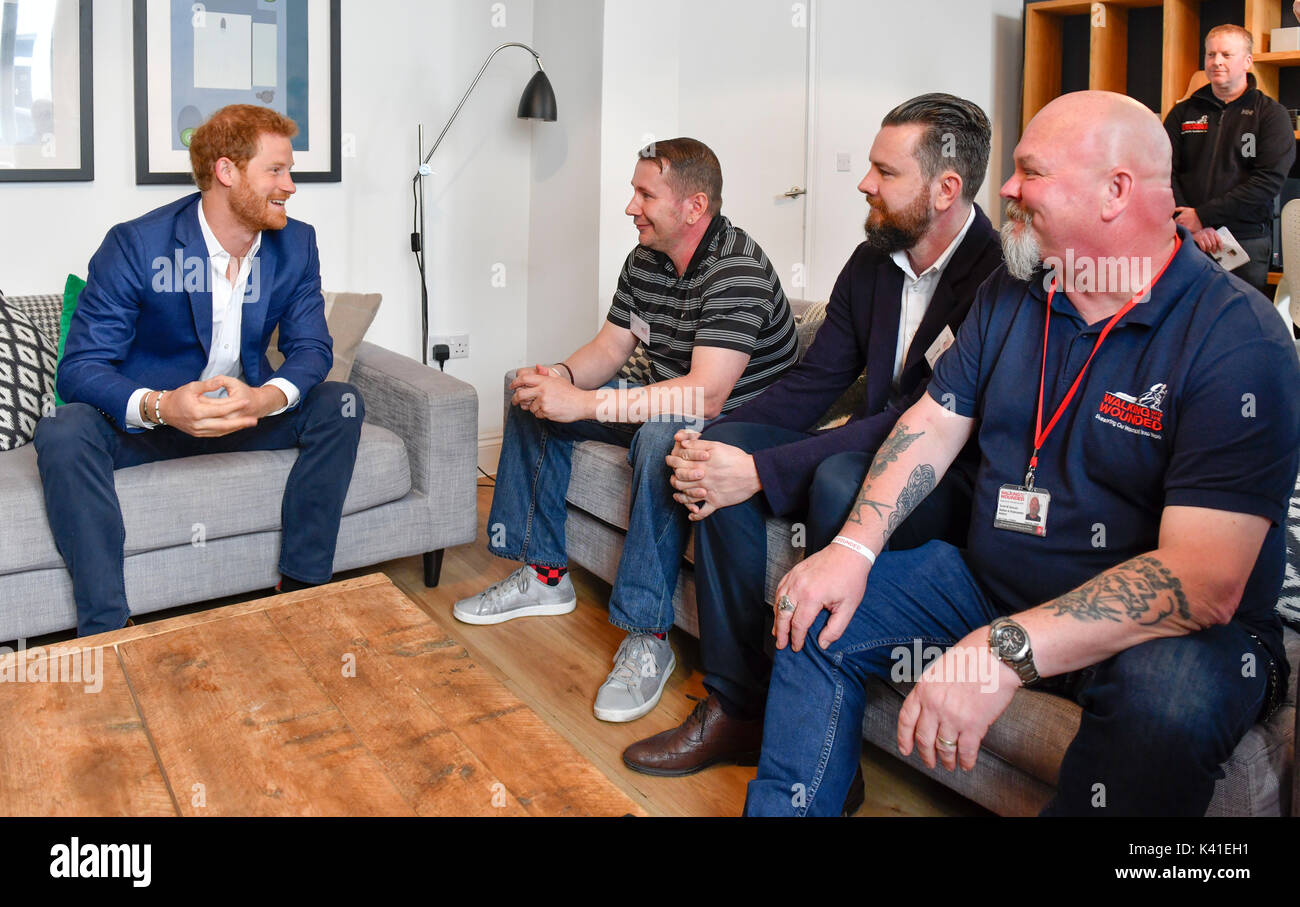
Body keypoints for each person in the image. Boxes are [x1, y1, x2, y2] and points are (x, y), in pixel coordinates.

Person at [746, 90, 1299, 817]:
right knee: (813, 606)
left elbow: (1203, 581)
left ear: (1115, 191)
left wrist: (1007, 648)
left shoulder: (1238, 339)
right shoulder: (1012, 292)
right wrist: (851, 546)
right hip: (989, 582)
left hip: (1168, 633)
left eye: (1028, 172)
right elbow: (932, 423)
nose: (1005, 189)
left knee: (1167, 700)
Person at [618, 94, 1003, 782]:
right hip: (860, 444)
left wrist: (763, 469)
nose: (864, 184)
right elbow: (815, 380)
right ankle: (736, 702)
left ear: (946, 189)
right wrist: (724, 441)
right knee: (721, 448)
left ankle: (829, 748)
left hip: (943, 477)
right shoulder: (873, 261)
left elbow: (916, 422)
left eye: (884, 172)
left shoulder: (996, 280)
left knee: (824, 476)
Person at [453, 138, 798, 723]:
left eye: (645, 194)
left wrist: (584, 402)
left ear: (694, 206)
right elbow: (613, 346)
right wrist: (559, 379)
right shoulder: (646, 259)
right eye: (633, 191)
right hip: (661, 399)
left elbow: (706, 394)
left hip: (737, 423)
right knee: (529, 392)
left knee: (662, 435)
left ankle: (647, 638)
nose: (630, 206)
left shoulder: (736, 268)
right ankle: (543, 574)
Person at [35, 104, 362, 637]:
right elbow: (81, 367)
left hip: (243, 418)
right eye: (276, 171)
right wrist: (163, 405)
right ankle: (107, 628)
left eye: (290, 171)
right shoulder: (138, 245)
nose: (291, 186)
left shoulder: (296, 244)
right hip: (154, 427)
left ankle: (302, 592)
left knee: (340, 404)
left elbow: (312, 349)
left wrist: (264, 399)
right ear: (227, 171)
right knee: (63, 430)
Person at [1164, 23, 1296, 295]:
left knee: (1237, 326)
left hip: (1244, 241)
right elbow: (1162, 171)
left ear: (1247, 61)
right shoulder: (1182, 113)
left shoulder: (1271, 115)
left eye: (1226, 54)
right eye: (1210, 55)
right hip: (1185, 237)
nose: (1216, 62)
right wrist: (1190, 221)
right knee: (1182, 323)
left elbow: (1267, 182)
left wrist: (1204, 215)